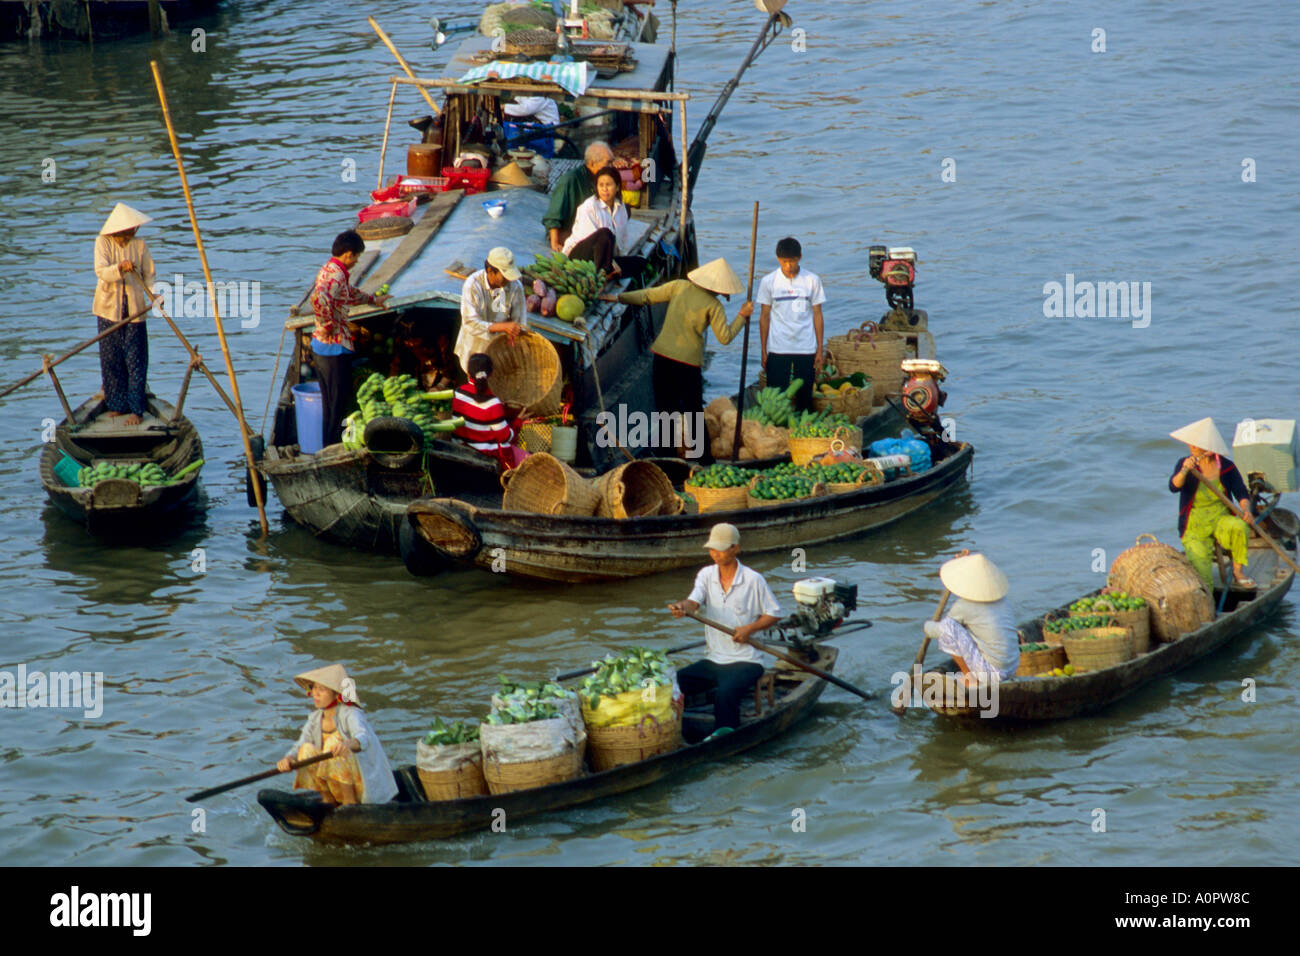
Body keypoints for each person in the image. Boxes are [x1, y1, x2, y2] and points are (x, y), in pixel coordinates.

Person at [600, 259, 753, 438]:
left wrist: (619, 298)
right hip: (688, 362)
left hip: (663, 355)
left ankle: (667, 454)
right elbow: (725, 338)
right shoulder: (714, 305)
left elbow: (647, 296)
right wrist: (742, 316)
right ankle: (702, 456)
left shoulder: (679, 286)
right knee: (693, 409)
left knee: (666, 407)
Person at [668, 523, 781, 735]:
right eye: (712, 549)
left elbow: (774, 613)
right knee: (673, 683)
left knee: (725, 694)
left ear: (735, 548)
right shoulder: (706, 575)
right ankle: (673, 732)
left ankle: (726, 737)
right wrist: (683, 608)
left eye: (720, 549)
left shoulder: (753, 579)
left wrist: (749, 628)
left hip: (747, 661)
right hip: (714, 659)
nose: (715, 554)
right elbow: (694, 601)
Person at [276, 664, 397, 806]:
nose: (316, 693)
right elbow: (300, 745)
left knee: (333, 743)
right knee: (306, 749)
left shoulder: (351, 713)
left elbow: (363, 737)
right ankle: (328, 799)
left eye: (322, 689)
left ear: (336, 694)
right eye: (314, 688)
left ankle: (349, 802)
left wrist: (348, 744)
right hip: (334, 785)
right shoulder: (315, 718)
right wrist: (288, 759)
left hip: (360, 786)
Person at [311, 230, 390, 446]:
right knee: (338, 404)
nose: (356, 261)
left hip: (322, 347)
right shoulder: (336, 275)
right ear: (347, 254)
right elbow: (319, 299)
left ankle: (326, 445)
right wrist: (327, 325)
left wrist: (373, 299)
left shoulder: (330, 269)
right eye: (356, 257)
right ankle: (331, 446)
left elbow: (349, 294)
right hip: (333, 348)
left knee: (330, 404)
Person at [1168, 417, 1256, 589]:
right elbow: (1173, 486)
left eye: (1196, 444)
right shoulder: (1185, 464)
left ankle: (1238, 572)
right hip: (1195, 524)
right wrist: (1185, 471)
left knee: (1240, 527)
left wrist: (1246, 510)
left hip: (1221, 518)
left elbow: (1241, 492)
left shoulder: (1226, 466)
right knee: (1203, 577)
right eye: (1190, 444)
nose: (1191, 447)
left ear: (1208, 447)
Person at [93, 203, 157, 426]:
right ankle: (117, 405)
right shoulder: (103, 243)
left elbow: (149, 274)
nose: (130, 235)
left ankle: (136, 410)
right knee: (111, 359)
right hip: (108, 309)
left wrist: (154, 296)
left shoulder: (140, 246)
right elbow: (101, 271)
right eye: (128, 232)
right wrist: (120, 268)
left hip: (134, 312)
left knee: (135, 360)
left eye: (133, 231)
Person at [923, 551, 1019, 685]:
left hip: (993, 673)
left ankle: (969, 678)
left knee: (947, 626)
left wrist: (927, 627)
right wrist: (962, 563)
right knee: (964, 627)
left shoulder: (964, 606)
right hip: (1012, 666)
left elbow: (941, 630)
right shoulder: (1003, 600)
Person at [756, 237, 826, 411]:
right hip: (778, 347)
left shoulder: (812, 280)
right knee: (776, 399)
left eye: (792, 261)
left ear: (800, 258)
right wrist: (764, 350)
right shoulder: (769, 282)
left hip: (805, 347)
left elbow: (818, 315)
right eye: (784, 261)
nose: (788, 266)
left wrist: (819, 349)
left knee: (804, 400)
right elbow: (764, 317)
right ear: (778, 259)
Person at [563, 165, 646, 281]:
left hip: (605, 260)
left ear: (617, 187)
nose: (604, 189)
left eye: (609, 185)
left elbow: (623, 241)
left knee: (641, 262)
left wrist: (620, 260)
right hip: (580, 257)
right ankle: (603, 274)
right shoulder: (589, 206)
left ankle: (608, 271)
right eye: (601, 185)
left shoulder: (621, 208)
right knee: (605, 234)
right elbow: (589, 239)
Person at [455, 247, 527, 377]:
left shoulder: (515, 286)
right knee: (475, 385)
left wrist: (515, 333)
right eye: (504, 275)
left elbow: (519, 320)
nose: (508, 280)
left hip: (500, 351)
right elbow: (470, 323)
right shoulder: (473, 284)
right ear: (490, 271)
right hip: (475, 348)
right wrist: (502, 327)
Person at [453, 353, 528, 470]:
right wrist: (518, 422)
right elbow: (505, 437)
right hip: (484, 453)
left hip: (461, 446)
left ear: (468, 373)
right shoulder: (492, 402)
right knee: (527, 459)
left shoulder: (458, 393)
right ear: (491, 374)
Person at [543, 141, 614, 252]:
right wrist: (555, 242)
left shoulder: (600, 179)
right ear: (592, 163)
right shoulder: (570, 180)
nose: (611, 167)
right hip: (570, 232)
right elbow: (554, 215)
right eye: (608, 163)